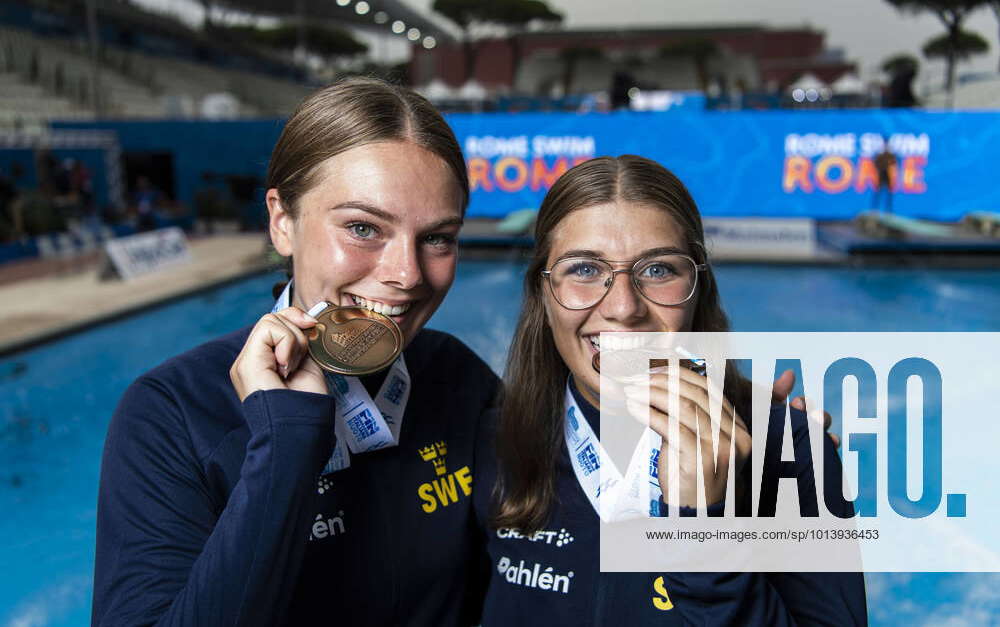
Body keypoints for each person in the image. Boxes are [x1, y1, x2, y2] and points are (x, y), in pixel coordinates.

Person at [92, 77, 499, 626]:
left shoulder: (458, 376)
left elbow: (578, 566)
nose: (406, 274)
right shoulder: (171, 413)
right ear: (282, 221)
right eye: (362, 228)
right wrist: (286, 444)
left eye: (438, 238)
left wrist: (633, 371)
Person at [475, 155, 867, 625]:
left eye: (658, 270)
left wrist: (707, 530)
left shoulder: (789, 446)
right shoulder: (491, 436)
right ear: (543, 293)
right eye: (583, 269)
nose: (622, 308)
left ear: (698, 288)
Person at [872, 137, 897, 213]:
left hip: (888, 175)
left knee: (889, 194)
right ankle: (874, 211)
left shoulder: (890, 154)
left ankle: (889, 211)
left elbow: (893, 163)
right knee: (878, 193)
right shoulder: (880, 155)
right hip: (881, 175)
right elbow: (876, 164)